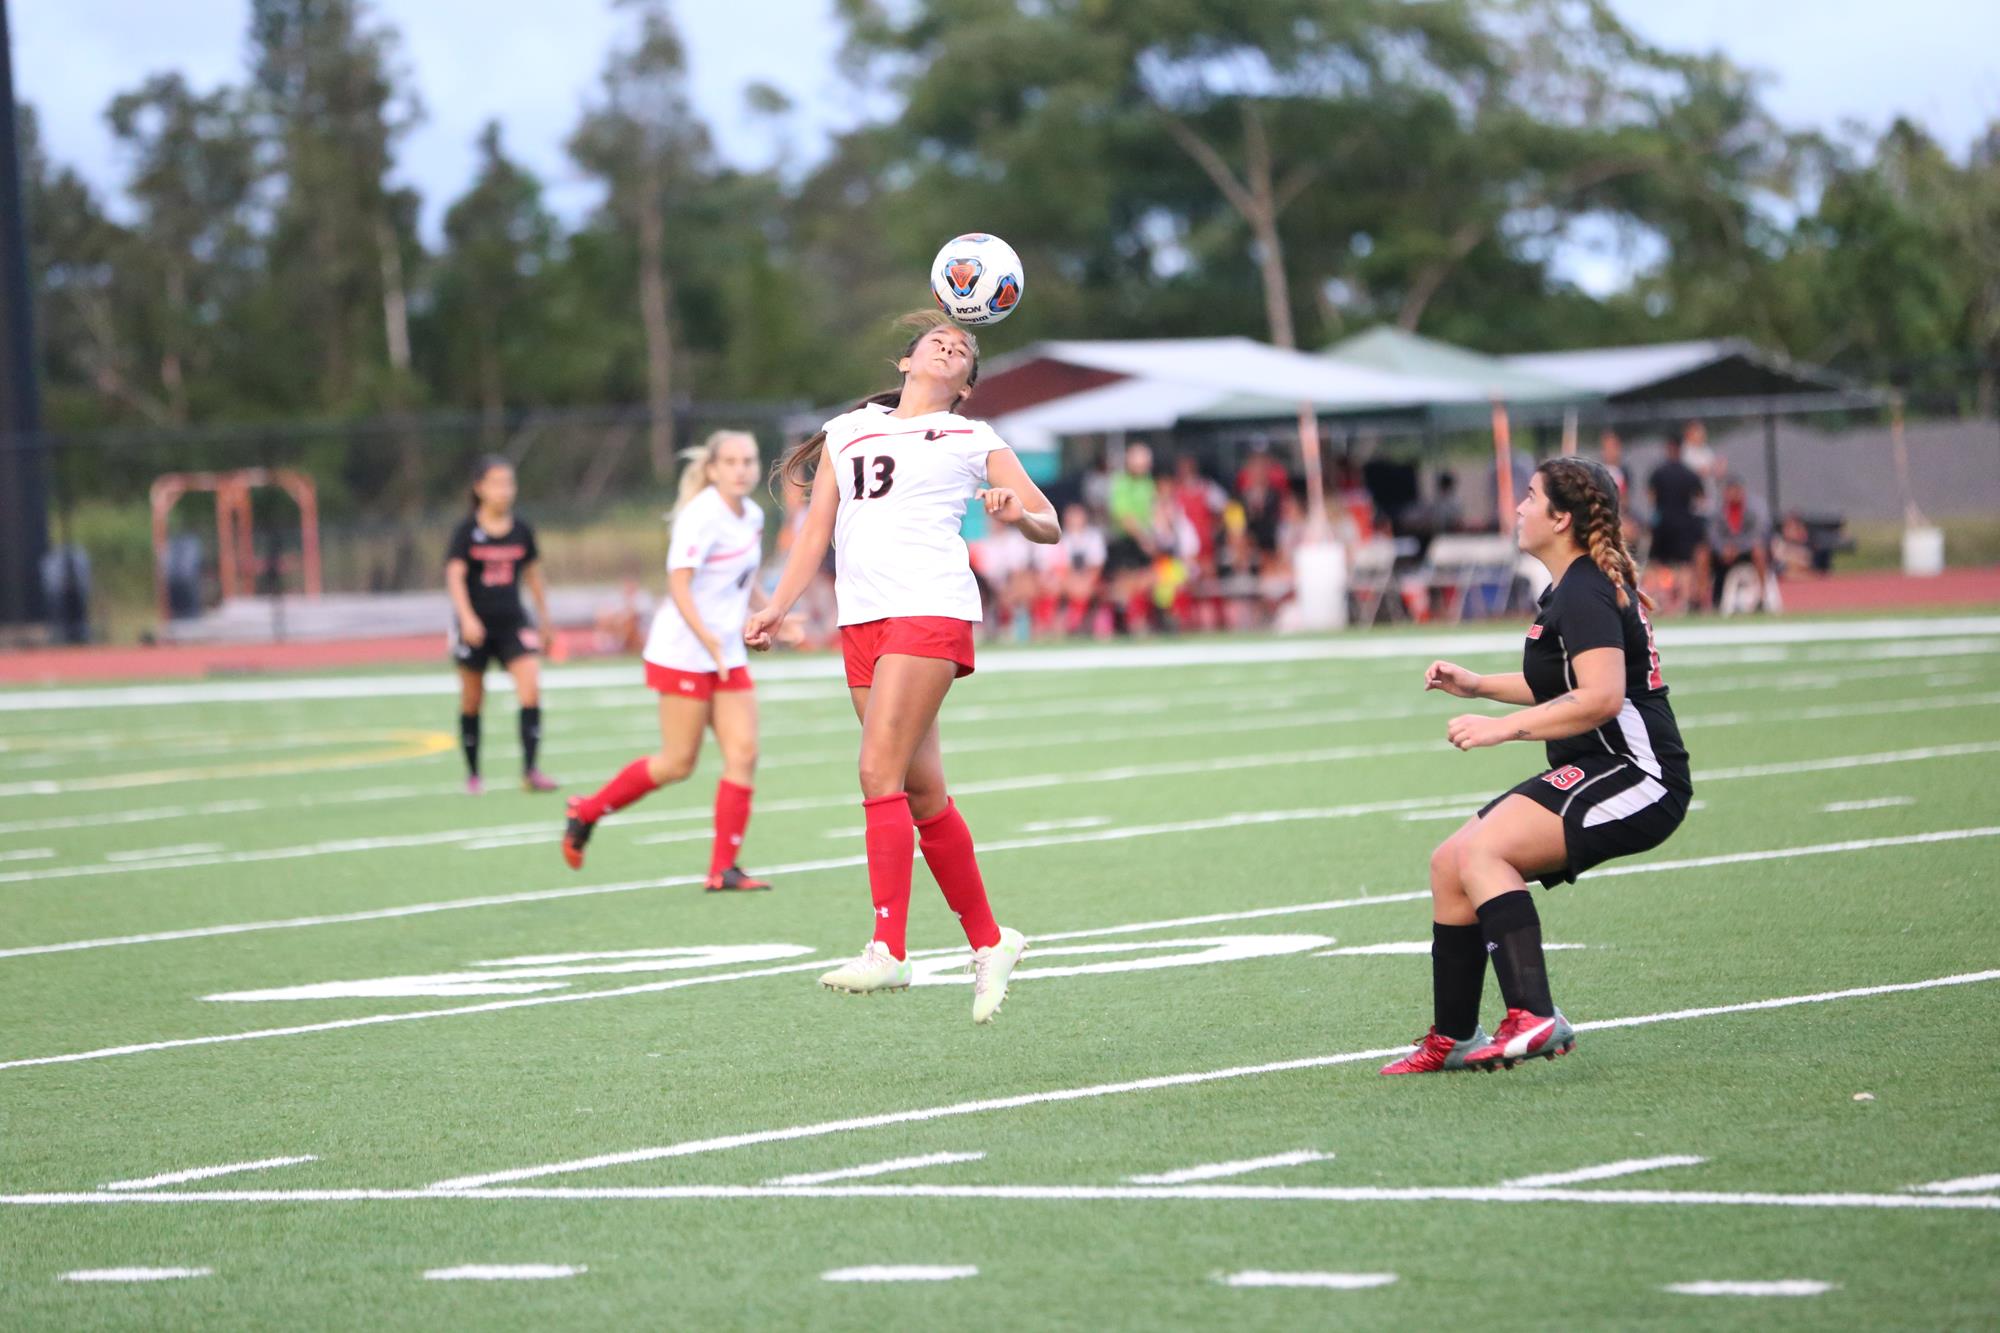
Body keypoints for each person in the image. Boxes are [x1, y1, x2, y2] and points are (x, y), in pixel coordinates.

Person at [745, 312, 1058, 1024]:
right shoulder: (850, 429)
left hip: (931, 606)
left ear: (968, 387)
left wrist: (1017, 513)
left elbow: (1052, 522)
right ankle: (991, 939)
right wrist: (776, 603)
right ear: (906, 360)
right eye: (939, 340)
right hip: (864, 618)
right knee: (921, 793)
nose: (951, 345)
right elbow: (815, 530)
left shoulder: (973, 437)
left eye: (964, 349)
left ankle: (889, 947)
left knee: (874, 771)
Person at [1384, 457, 1691, 1075]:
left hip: (1638, 773)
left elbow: (1601, 696)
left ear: (1562, 518)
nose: (1519, 508)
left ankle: (1533, 1013)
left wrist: (1501, 731)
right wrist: (1477, 687)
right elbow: (1560, 683)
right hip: (1597, 764)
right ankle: (1455, 1036)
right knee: (1451, 861)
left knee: (1484, 855)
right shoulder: (1569, 587)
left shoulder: (1583, 591)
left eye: (1530, 497)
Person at [561, 431, 785, 891]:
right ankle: (586, 812)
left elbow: (746, 577)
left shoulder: (754, 515)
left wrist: (773, 615)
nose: (742, 468)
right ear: (713, 469)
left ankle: (723, 870)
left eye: (749, 460)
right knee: (677, 763)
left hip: (726, 652)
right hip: (684, 652)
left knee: (744, 753)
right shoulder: (701, 516)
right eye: (731, 461)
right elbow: (679, 586)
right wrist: (709, 642)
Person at [445, 456, 556, 795]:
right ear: (479, 488)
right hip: (476, 625)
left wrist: (544, 620)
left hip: (512, 623)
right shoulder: (466, 532)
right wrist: (466, 618)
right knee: (472, 698)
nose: (504, 491)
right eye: (496, 483)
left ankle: (530, 770)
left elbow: (534, 575)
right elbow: (454, 576)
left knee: (530, 686)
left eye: (509, 483)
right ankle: (474, 773)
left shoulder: (522, 529)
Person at [1646, 430, 1707, 609]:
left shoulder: (1658, 472)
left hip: (1663, 524)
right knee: (1685, 564)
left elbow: (1651, 496)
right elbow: (1701, 498)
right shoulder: (1689, 473)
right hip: (1684, 523)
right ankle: (1683, 602)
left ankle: (1659, 601)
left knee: (1658, 563)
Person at [1698, 474, 1773, 614]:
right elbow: (1712, 534)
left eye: (1736, 490)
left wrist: (1738, 548)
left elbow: (1760, 532)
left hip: (1746, 552)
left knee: (1759, 551)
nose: (1733, 494)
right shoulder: (1718, 510)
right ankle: (1702, 601)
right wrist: (1723, 549)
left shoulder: (1755, 508)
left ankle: (1762, 598)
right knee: (1702, 553)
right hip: (1723, 553)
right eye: (1729, 490)